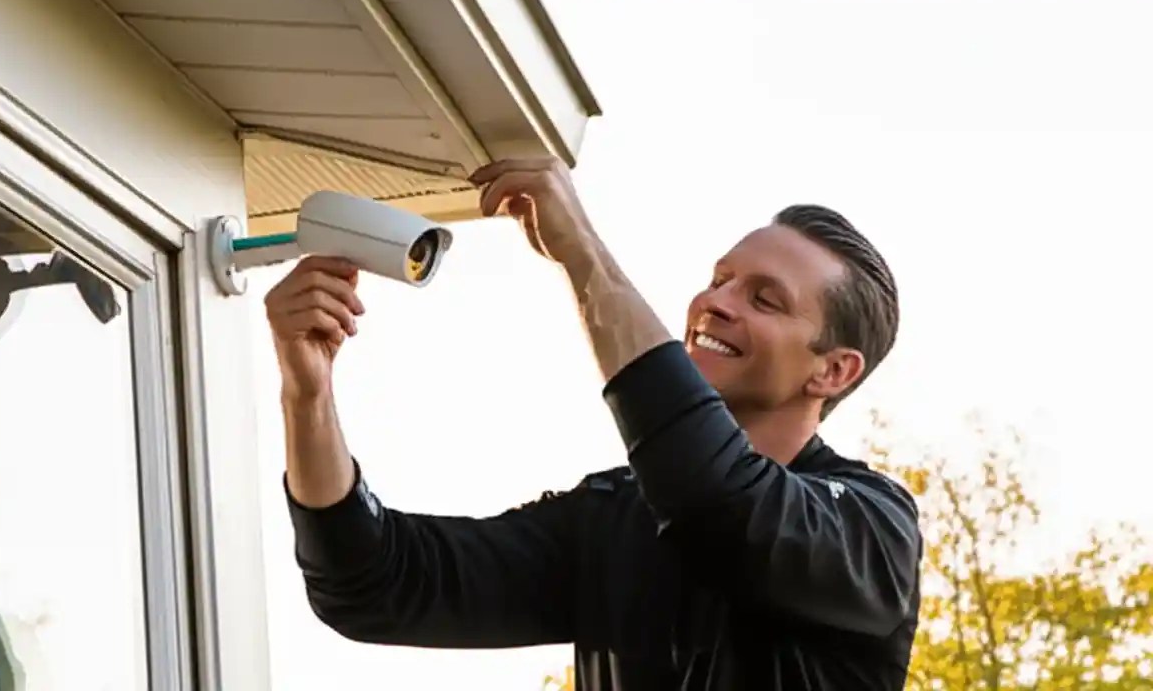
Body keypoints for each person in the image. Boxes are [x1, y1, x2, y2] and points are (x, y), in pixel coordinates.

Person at [267, 158, 922, 690]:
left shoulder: (873, 530)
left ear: (834, 371)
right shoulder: (617, 516)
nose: (714, 303)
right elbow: (375, 584)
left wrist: (581, 252)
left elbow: (717, 497)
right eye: (720, 279)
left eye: (764, 299)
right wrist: (307, 394)